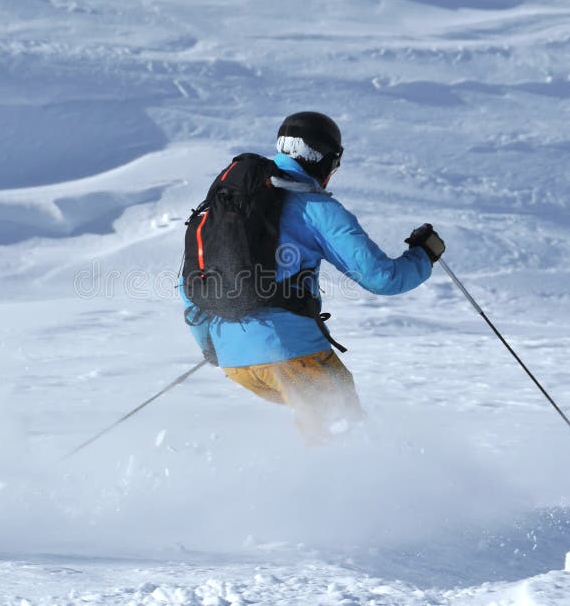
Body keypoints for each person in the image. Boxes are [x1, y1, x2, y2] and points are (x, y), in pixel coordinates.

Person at [181, 111, 444, 442]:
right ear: (323, 160)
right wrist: (424, 255)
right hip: (292, 354)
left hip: (237, 364)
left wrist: (212, 346)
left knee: (324, 434)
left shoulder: (225, 205)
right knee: (347, 442)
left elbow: (190, 285)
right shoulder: (314, 207)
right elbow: (381, 277)